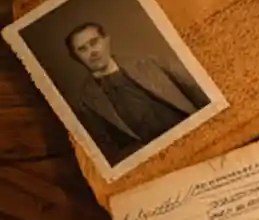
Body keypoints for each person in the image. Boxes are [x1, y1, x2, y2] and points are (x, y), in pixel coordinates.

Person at [64, 22, 210, 165]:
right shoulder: (86, 101)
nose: (92, 52)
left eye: (94, 42)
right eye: (83, 49)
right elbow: (107, 150)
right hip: (157, 159)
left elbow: (198, 92)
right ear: (75, 57)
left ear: (106, 40)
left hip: (197, 131)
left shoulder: (149, 62)